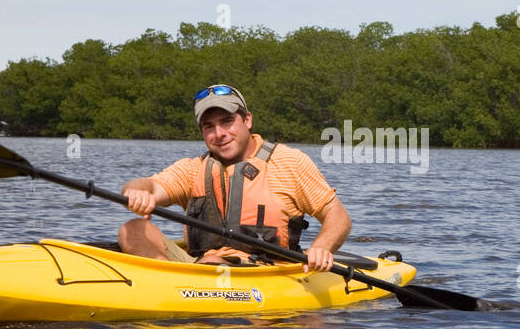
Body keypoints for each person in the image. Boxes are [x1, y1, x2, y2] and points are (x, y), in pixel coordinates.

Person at [118, 84, 351, 271]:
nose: (219, 134)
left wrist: (321, 248)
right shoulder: (193, 169)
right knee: (132, 229)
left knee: (212, 263)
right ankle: (166, 284)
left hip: (266, 271)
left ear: (247, 120)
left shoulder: (289, 162)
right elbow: (148, 185)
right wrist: (135, 192)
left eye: (227, 121)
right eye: (209, 127)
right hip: (200, 268)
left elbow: (337, 216)